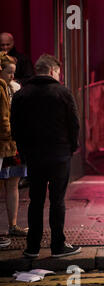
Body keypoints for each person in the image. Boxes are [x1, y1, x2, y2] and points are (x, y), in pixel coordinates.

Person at [10, 54, 81, 258]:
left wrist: (24, 152)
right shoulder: (62, 92)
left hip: (34, 156)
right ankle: (58, 245)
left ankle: (32, 247)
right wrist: (71, 148)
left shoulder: (22, 95)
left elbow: (16, 128)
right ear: (52, 71)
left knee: (36, 200)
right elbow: (74, 124)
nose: (59, 75)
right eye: (58, 72)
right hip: (59, 155)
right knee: (57, 201)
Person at [0, 52, 28, 237]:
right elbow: (3, 119)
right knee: (11, 184)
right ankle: (11, 226)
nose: (12, 76)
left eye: (13, 72)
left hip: (11, 144)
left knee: (13, 184)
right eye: (9, 72)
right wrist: (14, 134)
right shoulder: (2, 88)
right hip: (6, 143)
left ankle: (13, 225)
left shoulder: (13, 87)